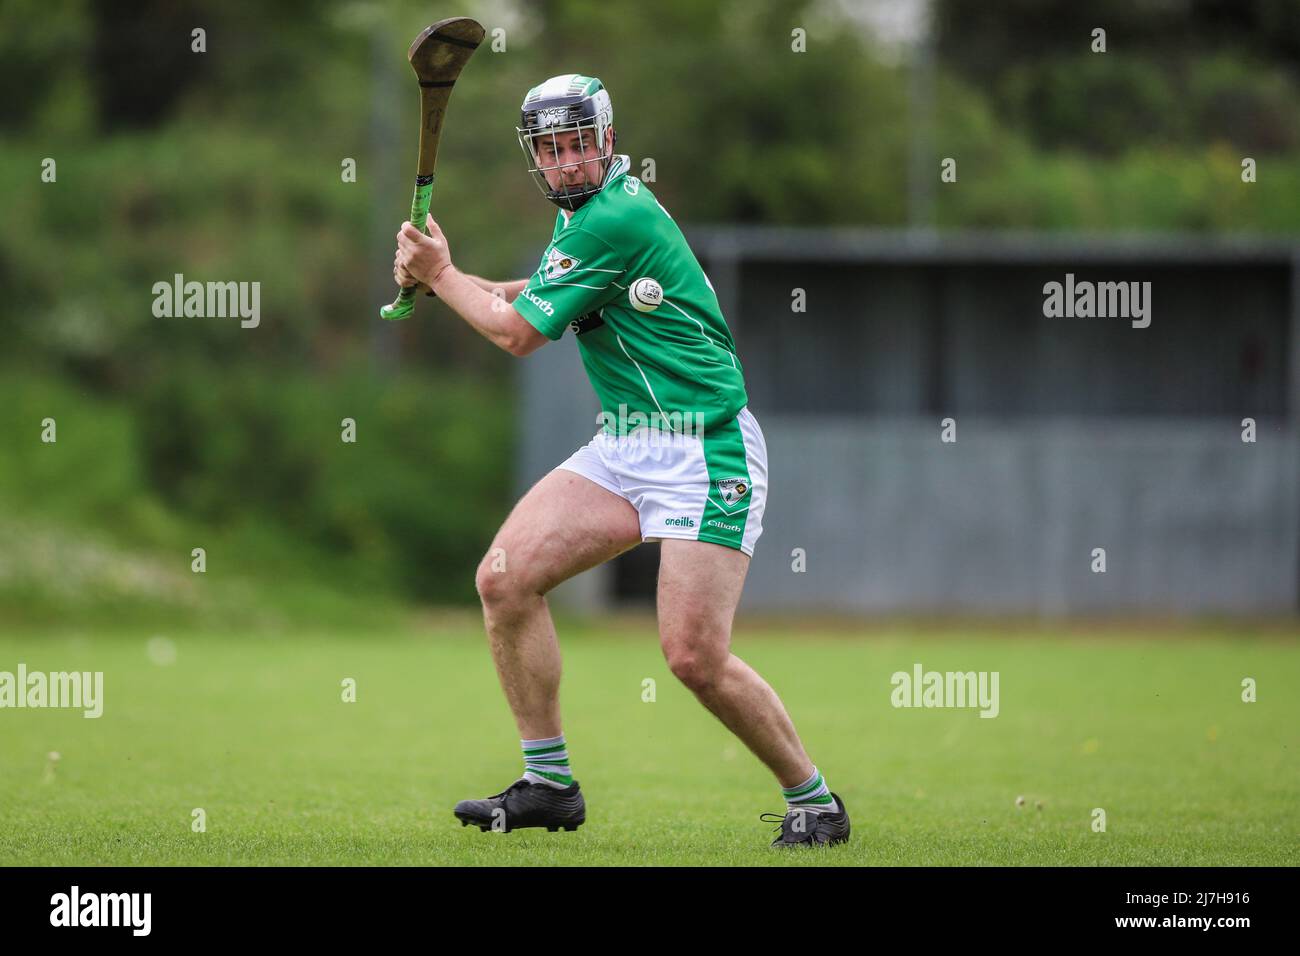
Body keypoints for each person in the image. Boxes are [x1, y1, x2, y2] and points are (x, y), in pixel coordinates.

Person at [393, 74, 849, 848]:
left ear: (606, 140)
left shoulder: (613, 215)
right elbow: (535, 293)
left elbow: (517, 333)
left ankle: (814, 801)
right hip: (628, 442)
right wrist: (448, 280)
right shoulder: (588, 222)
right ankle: (549, 784)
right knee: (505, 579)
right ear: (535, 156)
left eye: (577, 143)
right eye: (550, 147)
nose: (566, 161)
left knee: (693, 657)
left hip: (707, 448)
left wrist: (439, 274)